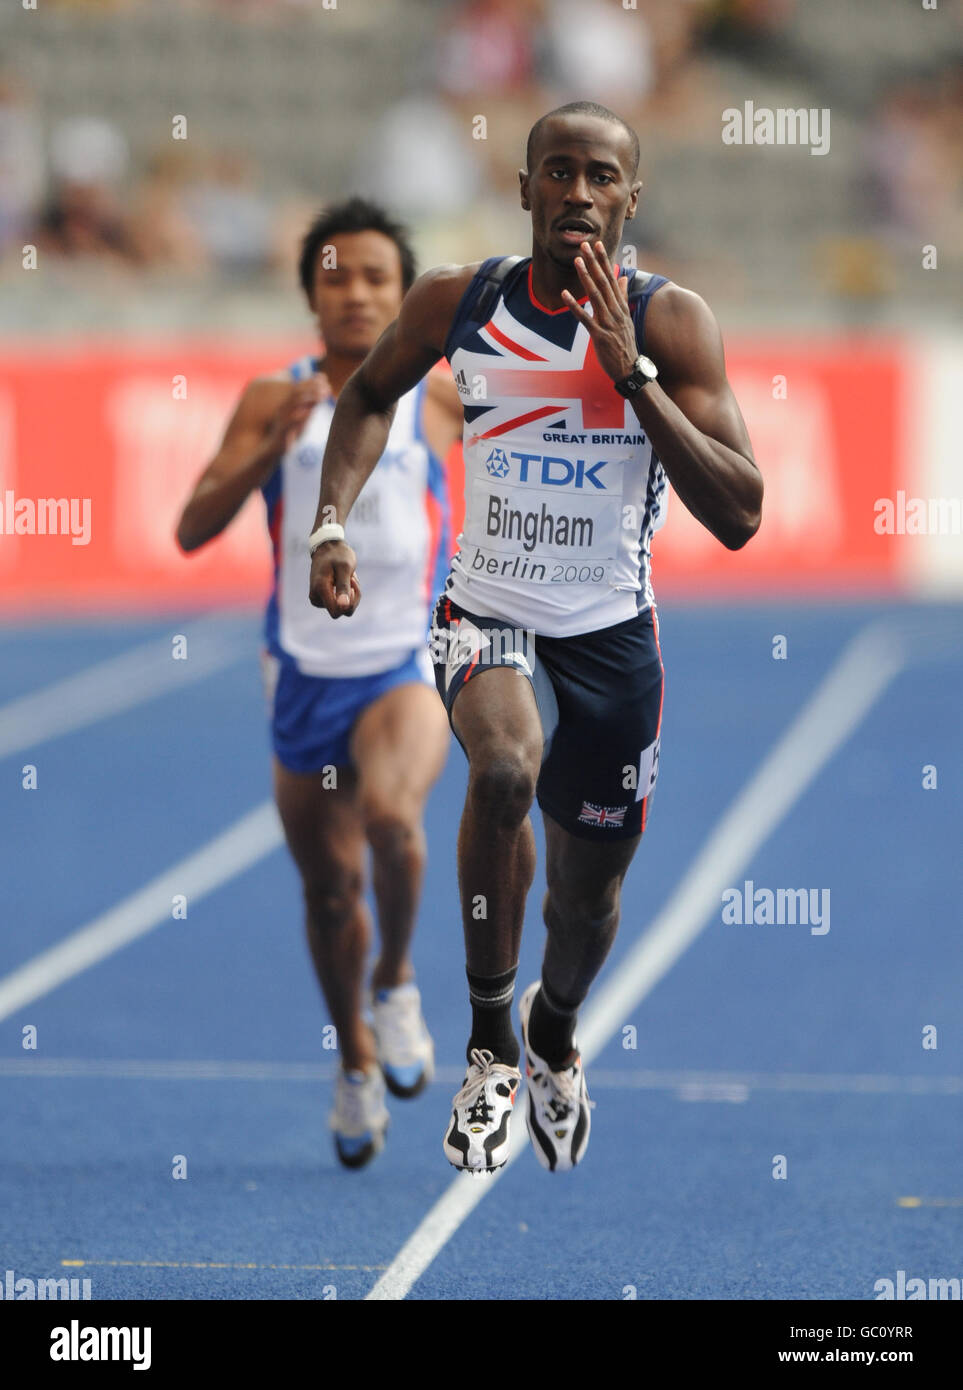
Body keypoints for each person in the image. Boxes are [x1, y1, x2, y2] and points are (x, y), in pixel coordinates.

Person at [308, 105, 763, 1175]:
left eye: (600, 175)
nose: (577, 192)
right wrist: (332, 517)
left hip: (610, 637)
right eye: (556, 171)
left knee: (586, 896)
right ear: (524, 190)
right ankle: (489, 1045)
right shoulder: (459, 303)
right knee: (505, 767)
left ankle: (555, 1029)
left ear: (629, 199)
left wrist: (632, 375)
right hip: (487, 609)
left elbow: (740, 513)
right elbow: (370, 393)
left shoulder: (670, 323)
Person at [177, 198, 463, 1168]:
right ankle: (352, 1058)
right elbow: (190, 526)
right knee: (332, 888)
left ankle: (398, 980)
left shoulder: (442, 396)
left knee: (393, 820)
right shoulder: (274, 396)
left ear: (405, 293)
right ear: (309, 293)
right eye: (337, 276)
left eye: (378, 277)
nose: (356, 293)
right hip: (301, 673)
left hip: (401, 664)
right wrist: (269, 446)